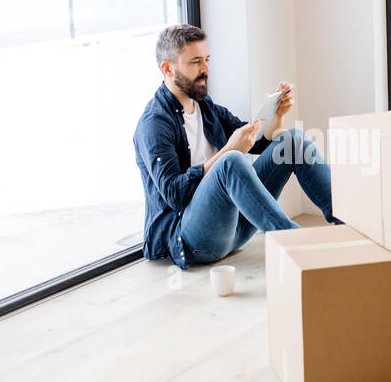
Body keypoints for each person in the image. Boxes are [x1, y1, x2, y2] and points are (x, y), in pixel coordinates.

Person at [133, 24, 341, 269]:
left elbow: (254, 141)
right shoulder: (155, 124)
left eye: (207, 60)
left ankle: (349, 223)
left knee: (291, 140)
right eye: (195, 62)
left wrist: (276, 115)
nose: (205, 70)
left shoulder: (204, 106)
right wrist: (228, 152)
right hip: (192, 240)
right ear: (167, 68)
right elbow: (174, 195)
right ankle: (296, 246)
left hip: (235, 228)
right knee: (231, 161)